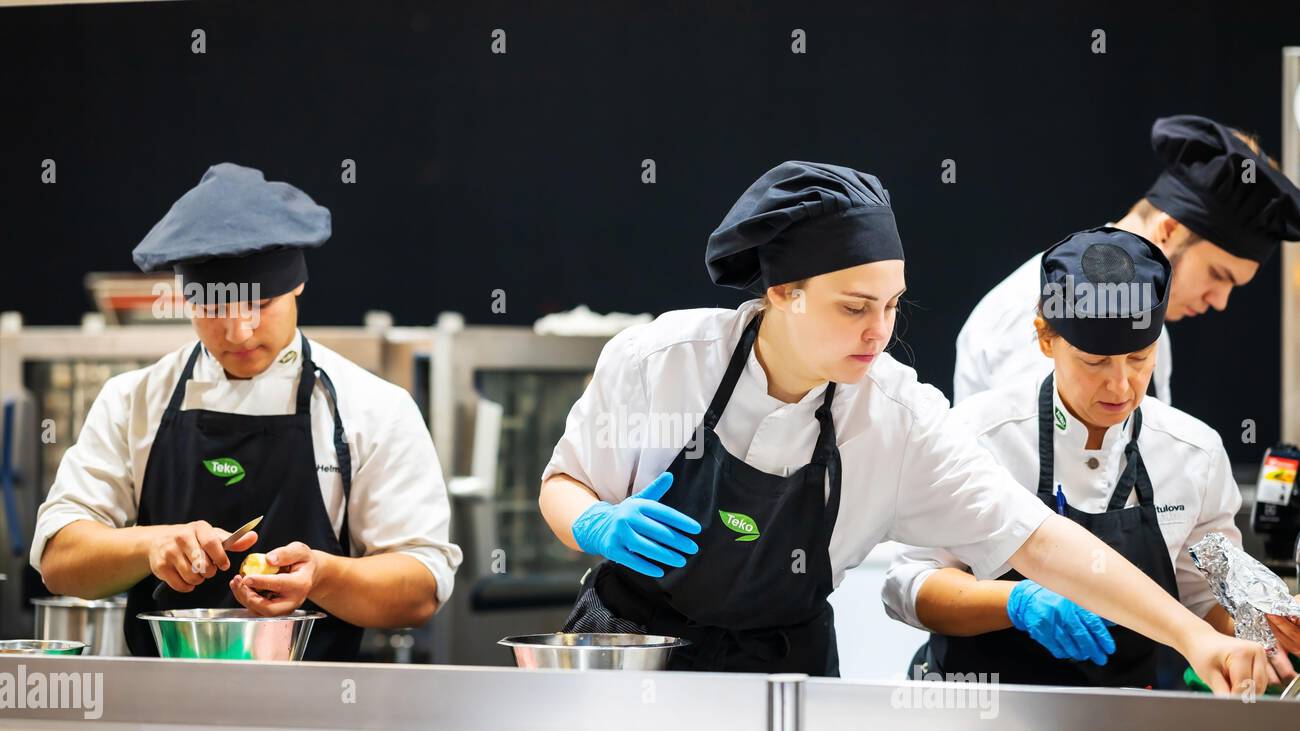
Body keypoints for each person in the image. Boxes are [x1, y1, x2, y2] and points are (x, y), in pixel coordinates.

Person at [537, 161, 1268, 693]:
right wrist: (593, 522)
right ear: (783, 292)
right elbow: (565, 482)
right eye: (855, 307)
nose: (879, 333)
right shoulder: (662, 361)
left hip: (782, 678)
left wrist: (1193, 634)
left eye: (893, 306)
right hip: (632, 658)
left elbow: (1039, 539)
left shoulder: (896, 414)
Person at [32, 163, 461, 660]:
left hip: (321, 716)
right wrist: (149, 546)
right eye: (214, 308)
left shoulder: (373, 408)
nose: (237, 333)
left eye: (259, 304)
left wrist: (323, 577)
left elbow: (421, 587)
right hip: (157, 717)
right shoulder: (134, 401)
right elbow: (59, 560)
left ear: (297, 286)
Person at [886, 226, 1298, 688]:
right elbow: (908, 587)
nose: (1121, 386)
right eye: (1095, 362)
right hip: (984, 715)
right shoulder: (977, 434)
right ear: (1045, 339)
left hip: (1127, 722)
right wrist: (1015, 602)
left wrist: (1261, 629)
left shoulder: (1194, 453)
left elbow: (1203, 598)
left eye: (1140, 358)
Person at [953, 115, 1300, 404]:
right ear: (1170, 230)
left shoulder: (1148, 324)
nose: (1220, 301)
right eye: (1218, 274)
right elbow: (1043, 467)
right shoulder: (1048, 305)